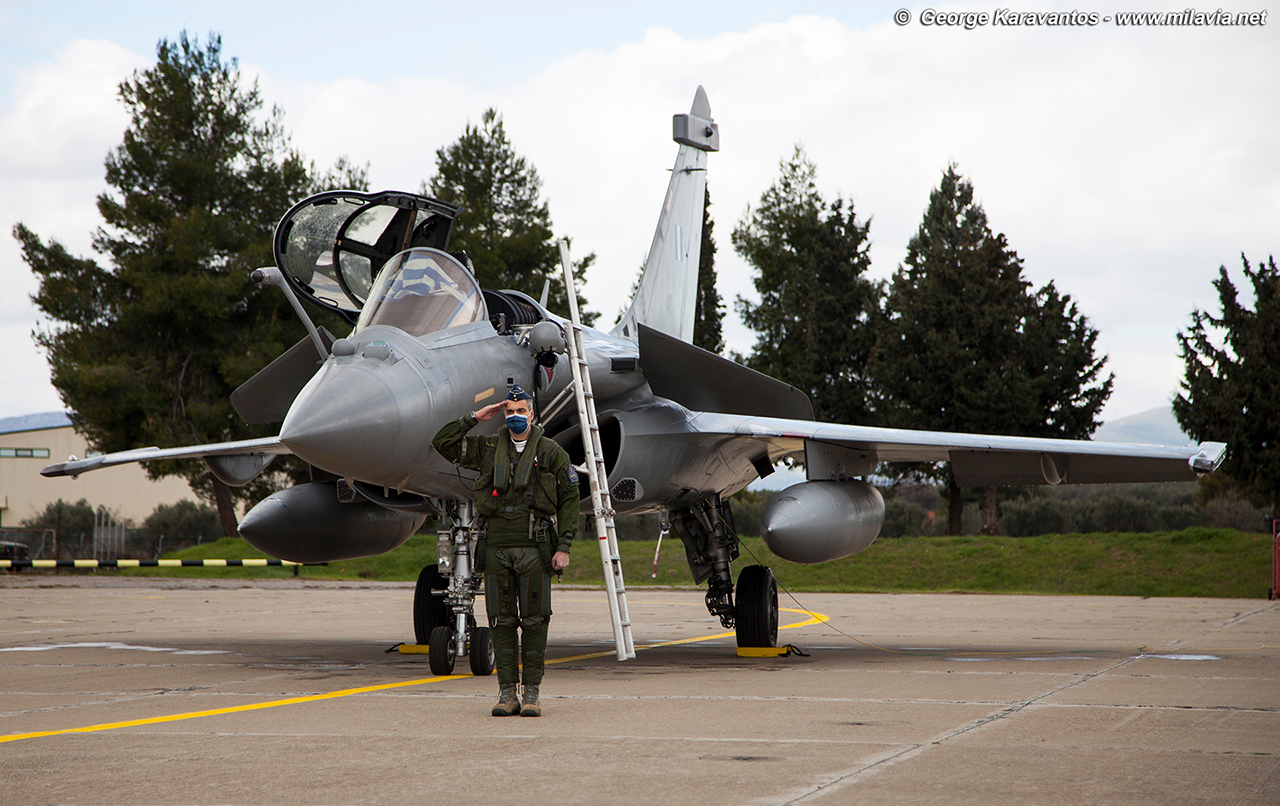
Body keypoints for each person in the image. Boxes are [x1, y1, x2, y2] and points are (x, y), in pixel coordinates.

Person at [432, 385, 579, 717]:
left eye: (520, 411)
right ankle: (507, 694)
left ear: (532, 413)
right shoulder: (487, 448)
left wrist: (564, 546)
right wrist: (474, 417)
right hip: (496, 545)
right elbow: (443, 443)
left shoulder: (552, 452)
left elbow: (570, 498)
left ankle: (532, 694)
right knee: (500, 622)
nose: (514, 417)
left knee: (536, 621)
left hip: (536, 546)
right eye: (509, 411)